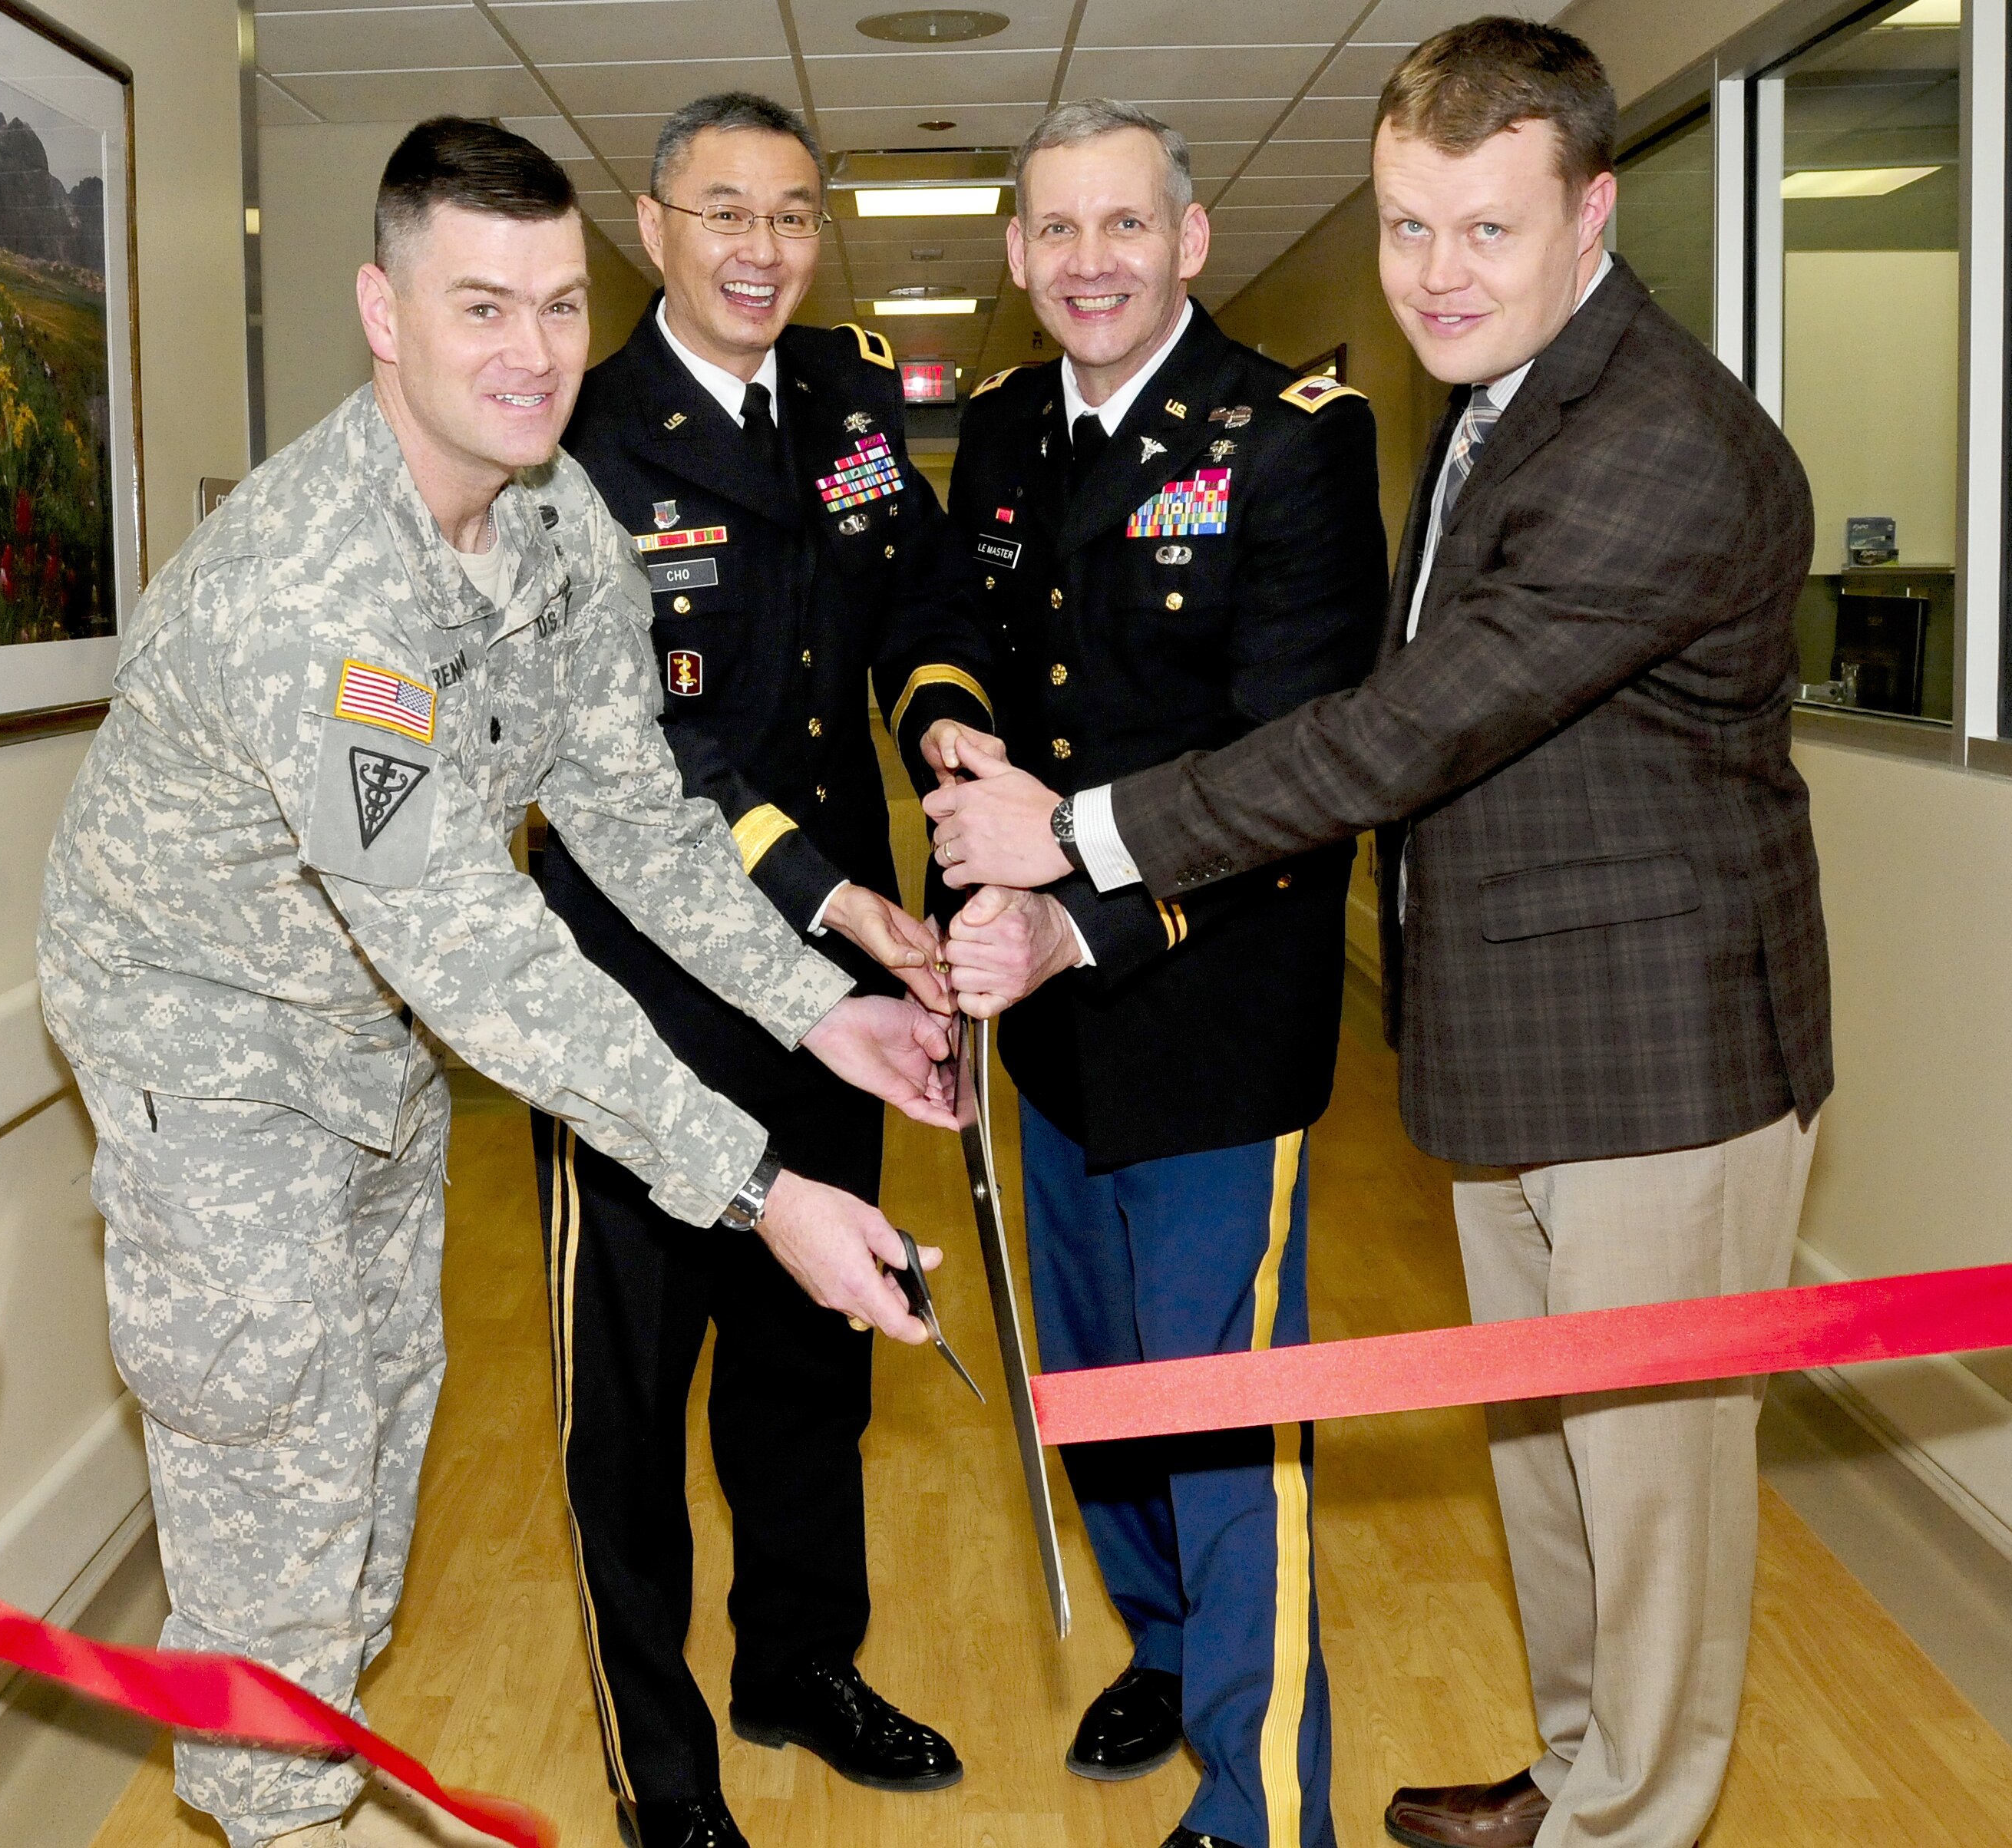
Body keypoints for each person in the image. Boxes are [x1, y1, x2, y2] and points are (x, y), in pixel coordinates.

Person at [926, 23, 1832, 1848]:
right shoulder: (1508, 399)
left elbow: (1400, 727)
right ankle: (1575, 1772)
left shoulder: (1653, 439)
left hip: (1661, 1059)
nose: (1432, 273)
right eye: (1407, 225)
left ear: (1589, 211)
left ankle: (1628, 1821)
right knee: (1548, 1464)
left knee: (1650, 1494)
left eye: (1479, 231)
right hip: (1525, 1054)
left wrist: (1078, 833)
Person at [36, 117, 956, 1848]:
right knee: (275, 1500)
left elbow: (639, 819)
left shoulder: (553, 528)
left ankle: (300, 1793)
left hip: (360, 1044)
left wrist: (815, 1005)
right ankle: (277, 1811)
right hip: (213, 1067)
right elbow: (473, 941)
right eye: (480, 308)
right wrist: (757, 1184)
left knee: (372, 1469)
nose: (530, 354)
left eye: (553, 305)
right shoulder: (317, 597)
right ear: (382, 313)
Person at [927, 98, 1385, 1848]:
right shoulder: (1001, 430)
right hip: (1048, 1031)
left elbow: (1295, 769)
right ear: (1021, 255)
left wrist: (1076, 898)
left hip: (1204, 1011)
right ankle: (1166, 1650)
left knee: (1221, 1422)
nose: (1088, 262)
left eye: (1123, 226)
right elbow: (970, 640)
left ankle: (1264, 1804)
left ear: (1188, 240)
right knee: (1099, 1387)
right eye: (1055, 232)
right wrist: (955, 751)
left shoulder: (1288, 440)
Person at [537, 91, 993, 1848]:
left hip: (842, 987)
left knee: (816, 1343)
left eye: (793, 215)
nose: (759, 248)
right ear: (648, 227)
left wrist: (944, 735)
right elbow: (637, 765)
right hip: (641, 993)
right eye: (721, 211)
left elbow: (922, 604)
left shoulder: (850, 399)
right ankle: (661, 1774)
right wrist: (826, 898)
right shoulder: (578, 435)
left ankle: (797, 1660)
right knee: (632, 1402)